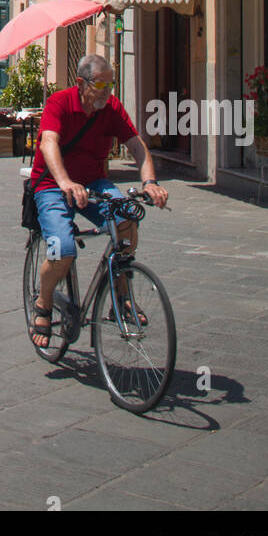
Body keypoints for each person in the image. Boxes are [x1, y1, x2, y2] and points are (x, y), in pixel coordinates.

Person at [27, 54, 169, 349]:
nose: (107, 91)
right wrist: (65, 181)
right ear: (81, 83)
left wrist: (150, 182)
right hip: (53, 185)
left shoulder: (111, 108)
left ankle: (121, 296)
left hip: (93, 184)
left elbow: (137, 147)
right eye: (101, 84)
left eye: (111, 84)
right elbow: (49, 142)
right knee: (62, 249)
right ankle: (43, 302)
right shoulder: (59, 103)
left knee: (127, 219)